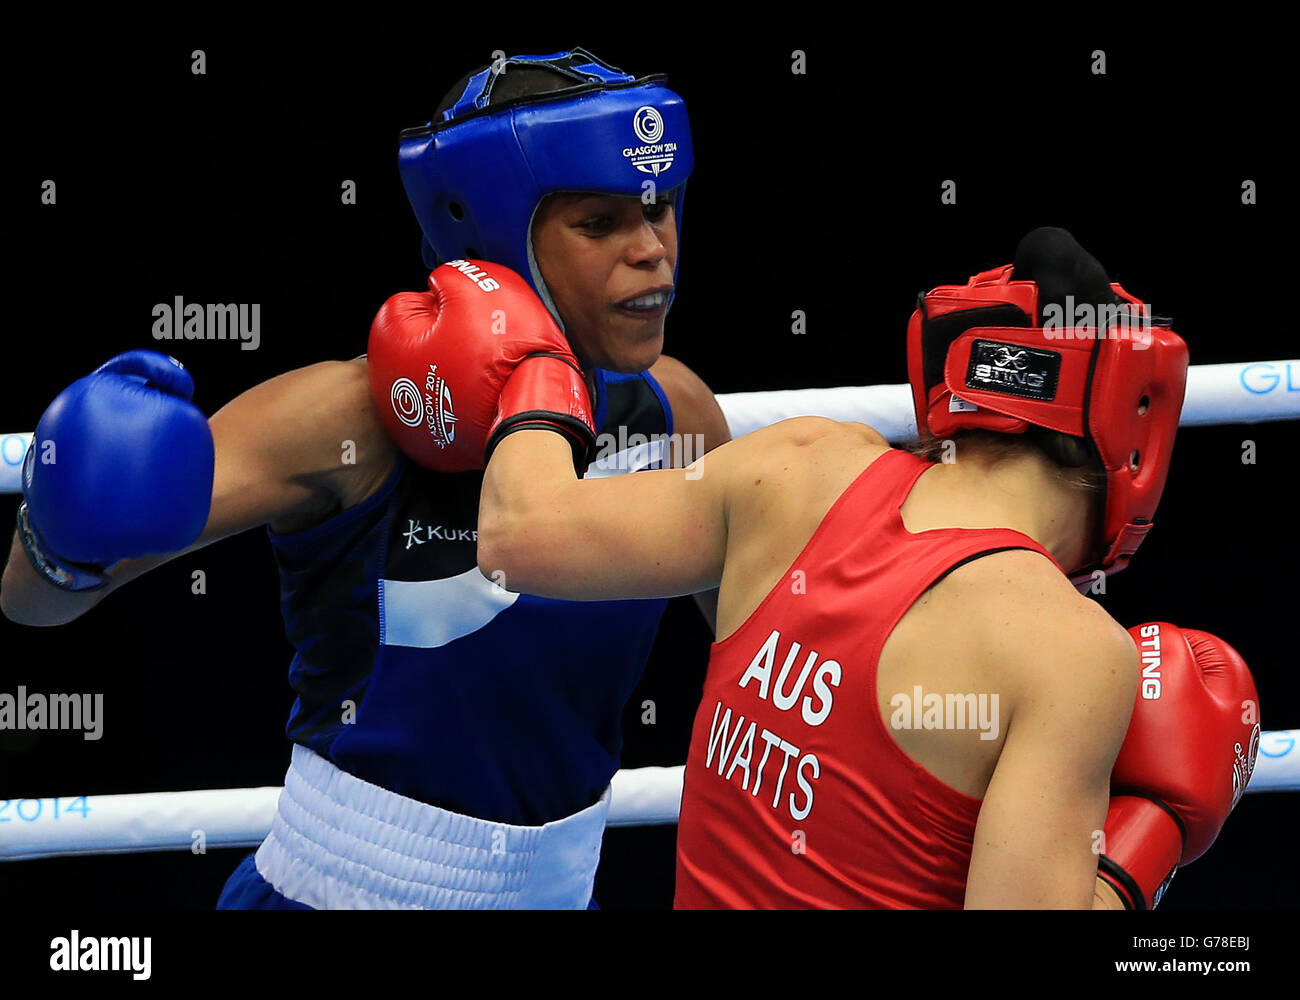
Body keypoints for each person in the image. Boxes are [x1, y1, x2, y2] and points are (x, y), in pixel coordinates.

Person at [0, 48, 728, 909]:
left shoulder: (671, 414)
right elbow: (35, 601)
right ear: (487, 226)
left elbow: (760, 641)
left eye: (660, 207)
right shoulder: (352, 419)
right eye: (600, 223)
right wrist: (66, 521)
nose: (653, 251)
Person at [466, 226, 1260, 908]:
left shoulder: (796, 464)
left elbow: (518, 534)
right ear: (1134, 428)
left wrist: (526, 340)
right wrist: (1148, 834)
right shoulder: (1071, 653)